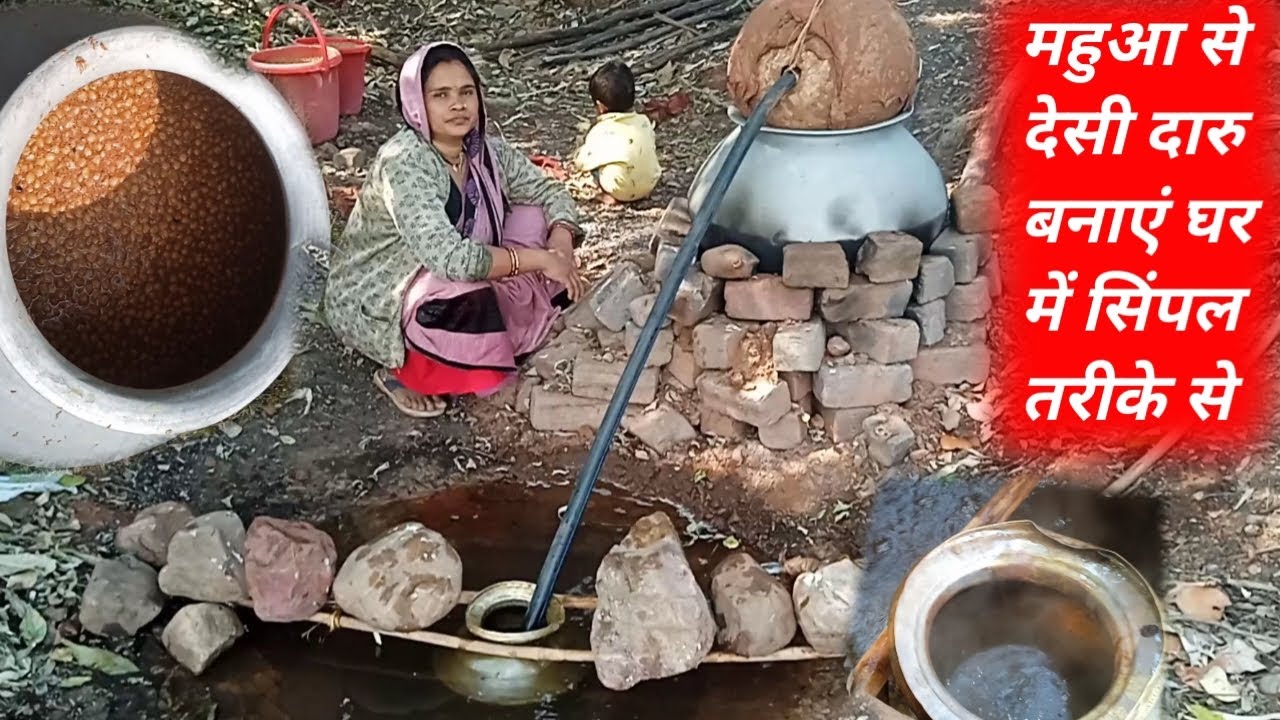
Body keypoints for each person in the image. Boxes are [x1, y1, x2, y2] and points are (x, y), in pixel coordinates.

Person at [324, 41, 586, 419]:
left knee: (534, 215)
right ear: (417, 104)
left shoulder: (483, 150)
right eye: (441, 95)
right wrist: (541, 260)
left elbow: (549, 191)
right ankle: (406, 372)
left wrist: (560, 241)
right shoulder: (405, 163)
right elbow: (450, 259)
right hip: (387, 291)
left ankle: (499, 330)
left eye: (466, 92)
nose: (458, 105)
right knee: (466, 302)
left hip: (469, 268)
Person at [572, 59, 661, 204]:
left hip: (620, 188)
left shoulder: (601, 131)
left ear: (600, 106)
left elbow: (583, 162)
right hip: (650, 183)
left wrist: (577, 155)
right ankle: (642, 190)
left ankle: (609, 196)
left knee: (596, 166)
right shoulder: (643, 121)